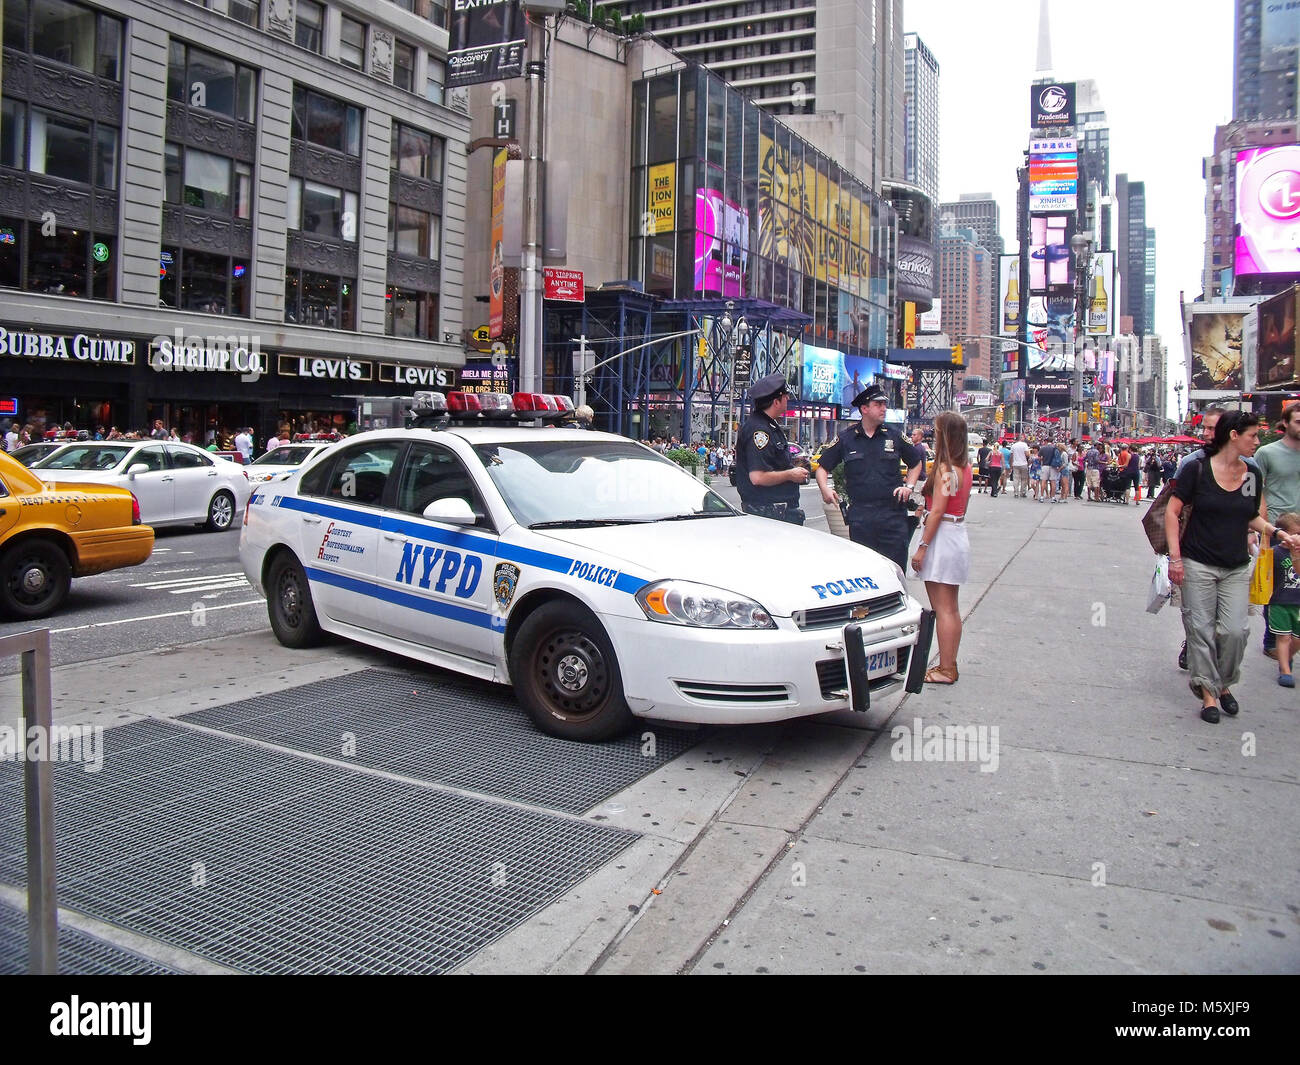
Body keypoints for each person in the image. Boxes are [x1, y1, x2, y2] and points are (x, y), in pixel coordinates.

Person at [1167, 412, 1281, 724]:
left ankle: (1223, 683)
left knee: (1235, 632)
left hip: (1235, 565)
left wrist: (1276, 532)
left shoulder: (1251, 474)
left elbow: (1251, 515)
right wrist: (1175, 558)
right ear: (1233, 435)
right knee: (1201, 631)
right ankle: (1208, 694)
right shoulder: (1196, 468)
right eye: (1252, 436)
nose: (1257, 442)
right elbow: (1172, 512)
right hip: (1198, 562)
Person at [815, 384, 922, 571]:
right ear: (864, 409)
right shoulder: (846, 438)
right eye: (878, 404)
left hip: (893, 515)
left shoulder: (894, 436)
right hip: (862, 517)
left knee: (895, 571)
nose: (884, 408)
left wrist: (909, 486)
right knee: (865, 572)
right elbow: (822, 468)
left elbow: (915, 463)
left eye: (884, 404)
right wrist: (825, 488)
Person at [911, 411, 972, 684]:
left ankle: (946, 668)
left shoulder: (946, 470)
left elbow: (938, 512)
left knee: (943, 607)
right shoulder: (965, 467)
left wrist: (923, 546)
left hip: (943, 536)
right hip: (956, 532)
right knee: (951, 607)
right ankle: (949, 664)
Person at [1254, 405, 1300, 660]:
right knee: (1277, 587)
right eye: (1298, 421)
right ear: (1285, 423)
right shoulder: (1267, 453)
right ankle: (1273, 638)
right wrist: (1259, 528)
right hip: (1276, 529)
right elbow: (1256, 491)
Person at [734, 373, 808, 524]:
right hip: (769, 514)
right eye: (785, 396)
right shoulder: (760, 431)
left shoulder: (769, 425)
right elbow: (758, 477)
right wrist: (790, 474)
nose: (788, 399)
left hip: (775, 512)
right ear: (776, 401)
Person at [1266, 512, 1300, 687]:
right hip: (1279, 601)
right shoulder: (1276, 553)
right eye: (1295, 533)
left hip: (1298, 603)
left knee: (1297, 639)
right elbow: (1265, 576)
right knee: (1283, 637)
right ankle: (1285, 670)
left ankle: (1286, 657)